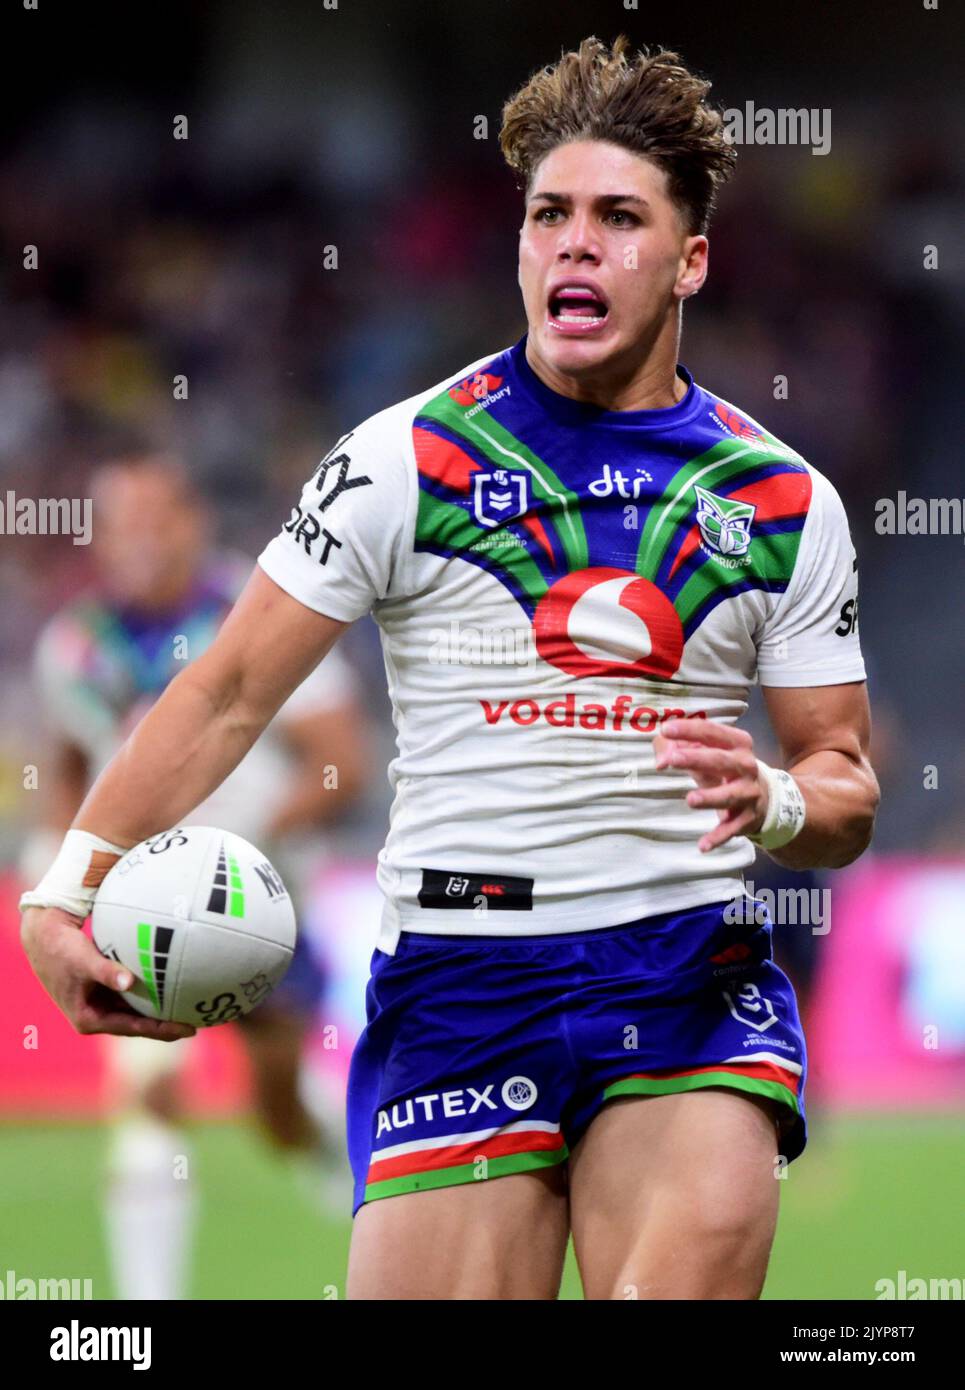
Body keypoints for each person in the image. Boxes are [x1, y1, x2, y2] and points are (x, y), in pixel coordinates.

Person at [20, 38, 879, 1300]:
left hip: (686, 976)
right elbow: (224, 689)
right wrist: (64, 888)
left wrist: (779, 799)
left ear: (690, 258)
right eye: (548, 216)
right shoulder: (400, 457)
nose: (573, 245)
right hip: (459, 980)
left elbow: (843, 782)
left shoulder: (782, 498)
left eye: (616, 217)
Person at [23, 453, 370, 1298]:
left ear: (191, 522)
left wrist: (240, 844)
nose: (138, 537)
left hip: (255, 907)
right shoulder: (74, 644)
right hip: (130, 907)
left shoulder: (261, 613)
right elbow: (69, 765)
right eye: (120, 520)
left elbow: (341, 765)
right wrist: (58, 859)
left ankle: (315, 1129)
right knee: (153, 1092)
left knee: (275, 1114)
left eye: (155, 517)